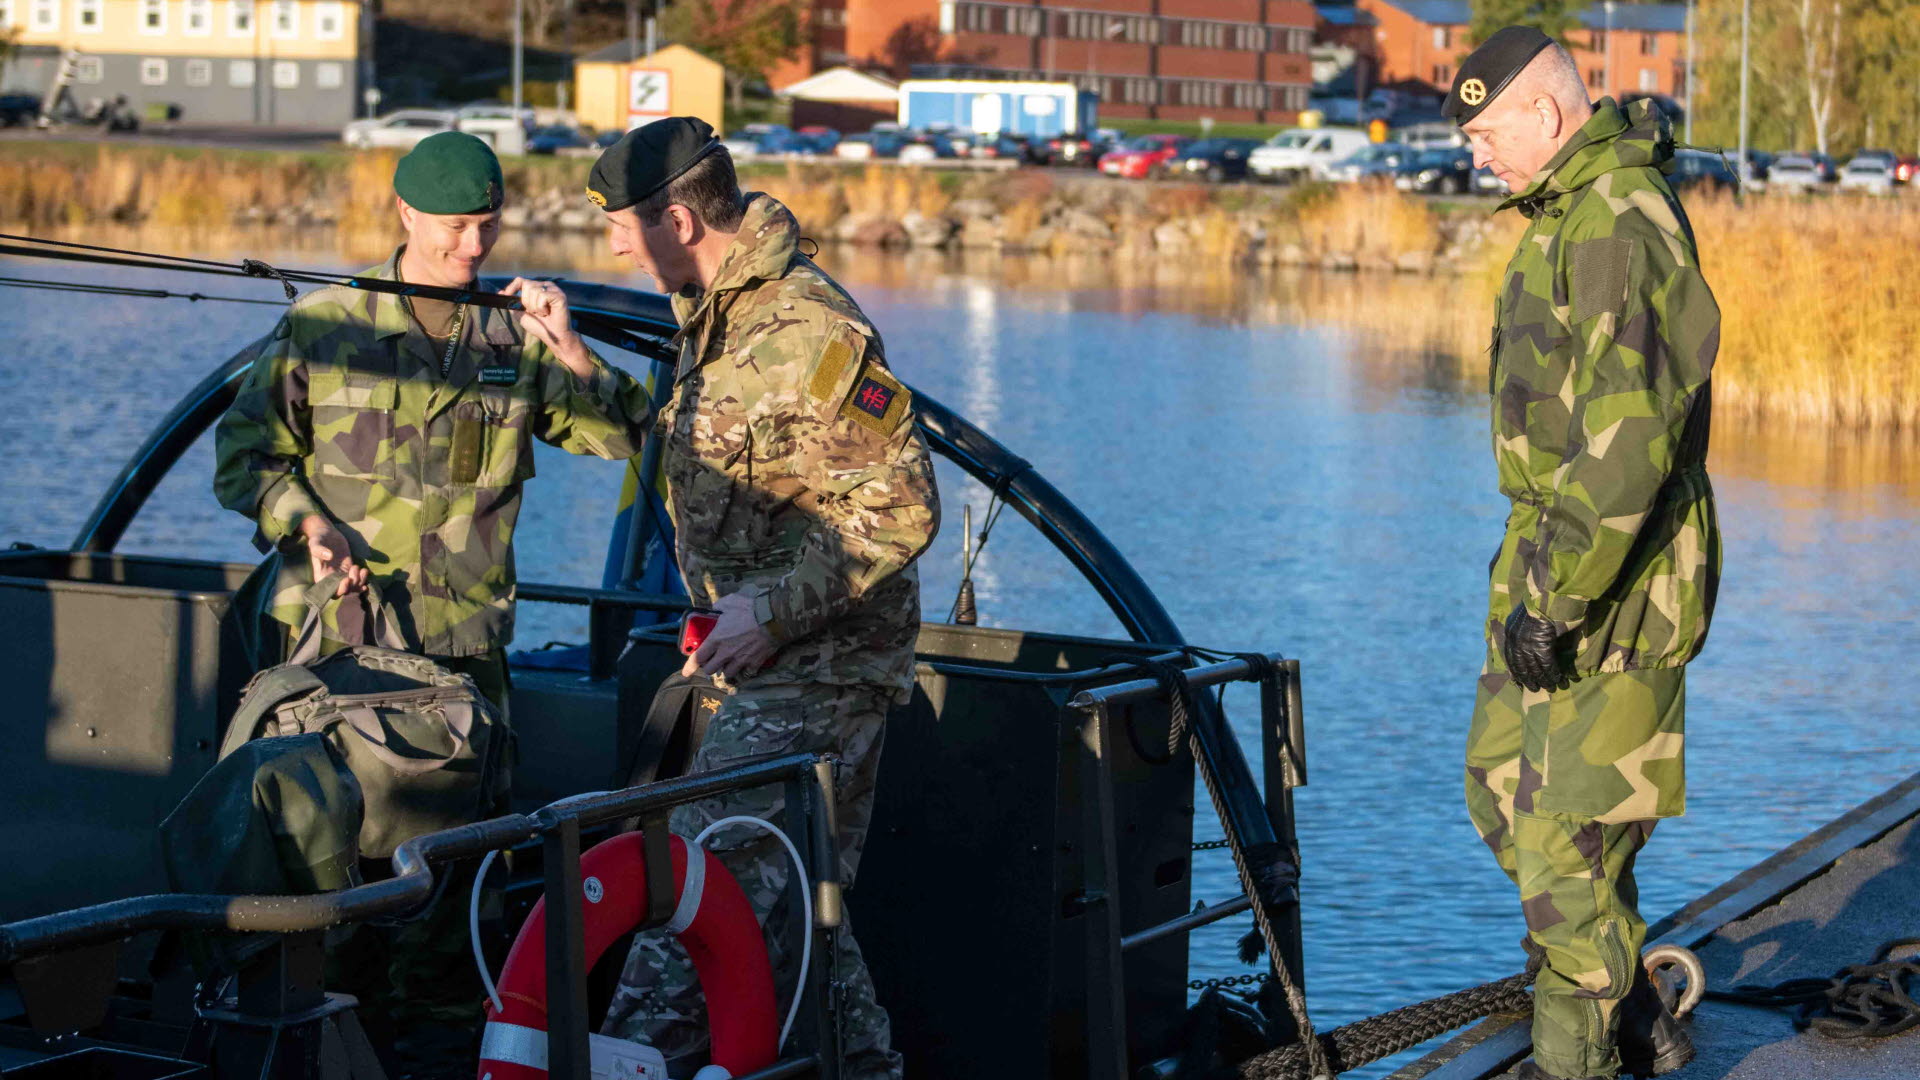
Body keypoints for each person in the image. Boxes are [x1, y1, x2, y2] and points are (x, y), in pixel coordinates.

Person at [212, 130, 658, 1078]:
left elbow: (628, 435)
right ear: (406, 212)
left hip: (461, 669)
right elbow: (245, 457)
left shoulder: (515, 336)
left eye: (487, 225)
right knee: (332, 882)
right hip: (337, 657)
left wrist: (571, 348)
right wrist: (304, 523)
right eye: (454, 225)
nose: (471, 245)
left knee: (455, 903)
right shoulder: (326, 323)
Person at [586, 116, 939, 1080]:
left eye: (623, 223)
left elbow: (902, 513)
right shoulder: (716, 319)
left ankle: (616, 1063)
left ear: (677, 219)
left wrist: (768, 613)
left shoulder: (807, 330)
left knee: (696, 911)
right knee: (799, 921)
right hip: (754, 677)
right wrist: (578, 371)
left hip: (820, 679)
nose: (614, 244)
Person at [1450, 28, 1722, 1080]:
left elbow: (1630, 439)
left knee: (1571, 847)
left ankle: (1586, 1048)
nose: (1476, 152)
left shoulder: (1619, 221)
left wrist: (1557, 598)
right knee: (1501, 792)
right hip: (1548, 555)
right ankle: (1627, 1007)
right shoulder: (1567, 214)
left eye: (1486, 130)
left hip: (1612, 583)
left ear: (1548, 115)